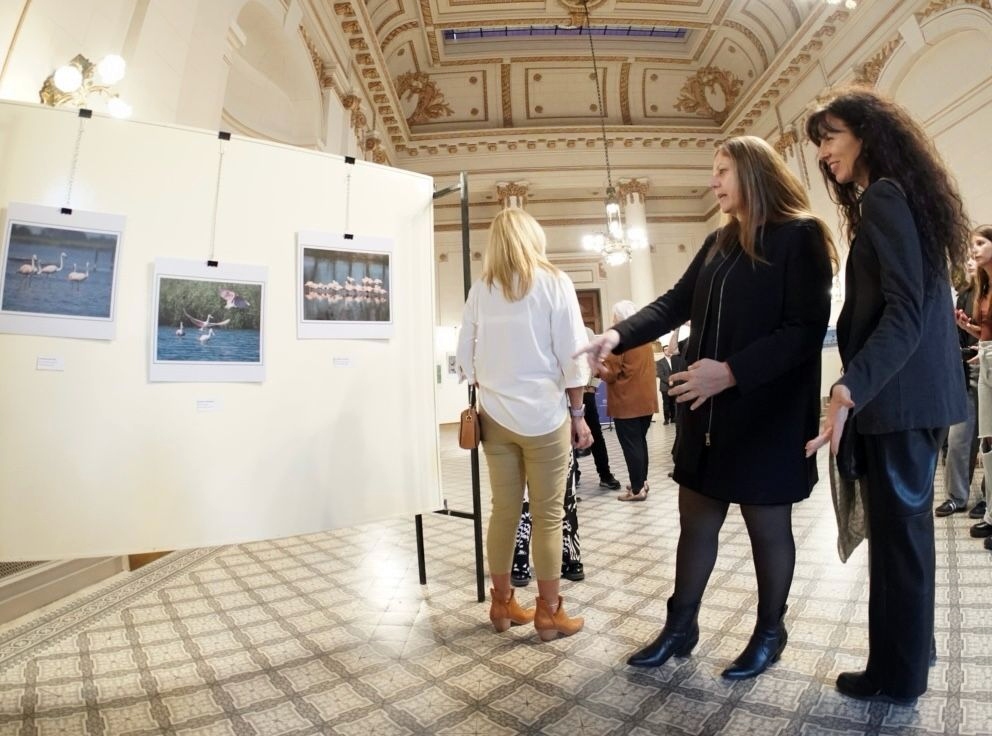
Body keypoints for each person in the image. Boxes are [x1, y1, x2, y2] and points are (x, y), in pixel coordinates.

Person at [578, 135, 835, 678]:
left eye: (722, 170)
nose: (713, 181)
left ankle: (770, 632)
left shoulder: (801, 235)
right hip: (707, 411)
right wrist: (617, 336)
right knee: (695, 522)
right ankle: (680, 627)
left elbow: (805, 330)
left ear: (754, 172)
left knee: (767, 528)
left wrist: (732, 371)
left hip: (766, 415)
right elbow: (675, 302)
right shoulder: (720, 241)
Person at [804, 87, 969, 706]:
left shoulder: (883, 197)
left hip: (899, 402)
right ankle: (907, 656)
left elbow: (905, 311)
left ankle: (897, 677)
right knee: (905, 540)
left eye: (831, 137)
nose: (824, 153)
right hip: (912, 398)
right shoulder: (898, 195)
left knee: (901, 544)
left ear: (866, 135)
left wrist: (850, 385)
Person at [456, 207, 593, 642]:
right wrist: (578, 414)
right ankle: (549, 613)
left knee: (504, 511)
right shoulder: (555, 281)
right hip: (546, 417)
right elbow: (572, 353)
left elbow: (464, 357)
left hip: (496, 418)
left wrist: (491, 380)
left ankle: (502, 604)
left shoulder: (482, 289)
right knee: (548, 516)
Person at [599, 300, 659, 501]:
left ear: (618, 318)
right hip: (646, 400)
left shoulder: (619, 338)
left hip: (627, 402)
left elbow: (610, 373)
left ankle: (636, 489)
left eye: (614, 317)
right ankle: (641, 482)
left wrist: (597, 364)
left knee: (632, 446)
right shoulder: (644, 337)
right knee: (639, 442)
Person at [936, 252, 979, 518]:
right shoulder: (966, 294)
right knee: (958, 438)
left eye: (980, 246)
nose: (971, 259)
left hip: (987, 369)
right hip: (968, 372)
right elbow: (961, 335)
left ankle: (987, 499)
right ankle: (956, 496)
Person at [956, 226, 992, 545]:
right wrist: (968, 327)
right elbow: (987, 333)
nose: (974, 249)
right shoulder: (983, 285)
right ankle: (991, 513)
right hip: (986, 361)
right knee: (987, 442)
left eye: (981, 243)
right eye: (972, 245)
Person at [576, 326, 623, 491]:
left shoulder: (587, 332)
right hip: (564, 394)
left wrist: (593, 386)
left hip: (585, 393)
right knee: (567, 437)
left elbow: (597, 363)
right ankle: (574, 474)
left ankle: (605, 474)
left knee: (596, 434)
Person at [656, 345, 676, 424]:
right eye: (665, 349)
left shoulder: (674, 360)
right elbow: (660, 374)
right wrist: (669, 381)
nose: (667, 351)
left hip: (674, 385)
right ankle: (666, 419)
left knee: (673, 403)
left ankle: (673, 418)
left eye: (668, 349)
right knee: (666, 403)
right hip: (665, 386)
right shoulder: (660, 362)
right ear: (663, 351)